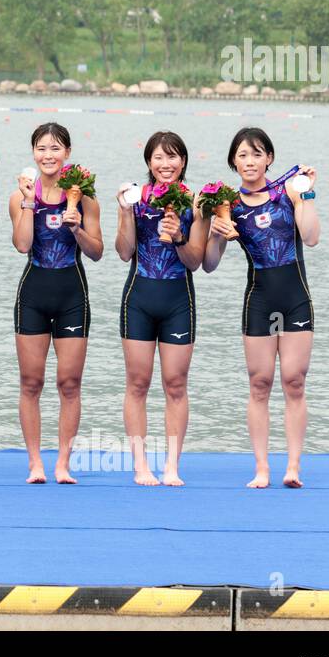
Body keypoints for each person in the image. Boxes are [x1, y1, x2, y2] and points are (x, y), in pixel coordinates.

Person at [203, 127, 319, 489]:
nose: (249, 161)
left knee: (294, 381)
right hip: (259, 301)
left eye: (256, 154)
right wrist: (216, 235)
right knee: (260, 383)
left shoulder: (288, 192)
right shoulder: (228, 204)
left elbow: (312, 238)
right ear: (233, 162)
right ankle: (262, 468)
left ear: (269, 157)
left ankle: (293, 467)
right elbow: (208, 263)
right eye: (242, 155)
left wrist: (307, 195)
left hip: (295, 297)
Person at [8, 123, 103, 484]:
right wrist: (30, 201)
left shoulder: (84, 196)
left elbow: (97, 252)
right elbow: (21, 244)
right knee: (31, 382)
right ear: (34, 153)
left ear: (68, 153)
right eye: (42, 149)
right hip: (33, 292)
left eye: (56, 149)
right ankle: (35, 462)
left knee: (69, 382)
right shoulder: (21, 195)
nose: (49, 155)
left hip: (72, 293)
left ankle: (63, 463)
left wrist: (78, 229)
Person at [114, 131, 207, 486]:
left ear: (183, 161)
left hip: (178, 300)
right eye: (158, 158)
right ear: (148, 162)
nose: (165, 164)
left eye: (172, 157)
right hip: (138, 298)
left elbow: (196, 261)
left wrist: (180, 237)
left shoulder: (197, 202)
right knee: (137, 383)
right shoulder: (135, 198)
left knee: (176, 384)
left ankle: (171, 466)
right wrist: (125, 213)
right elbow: (124, 253)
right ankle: (140, 466)